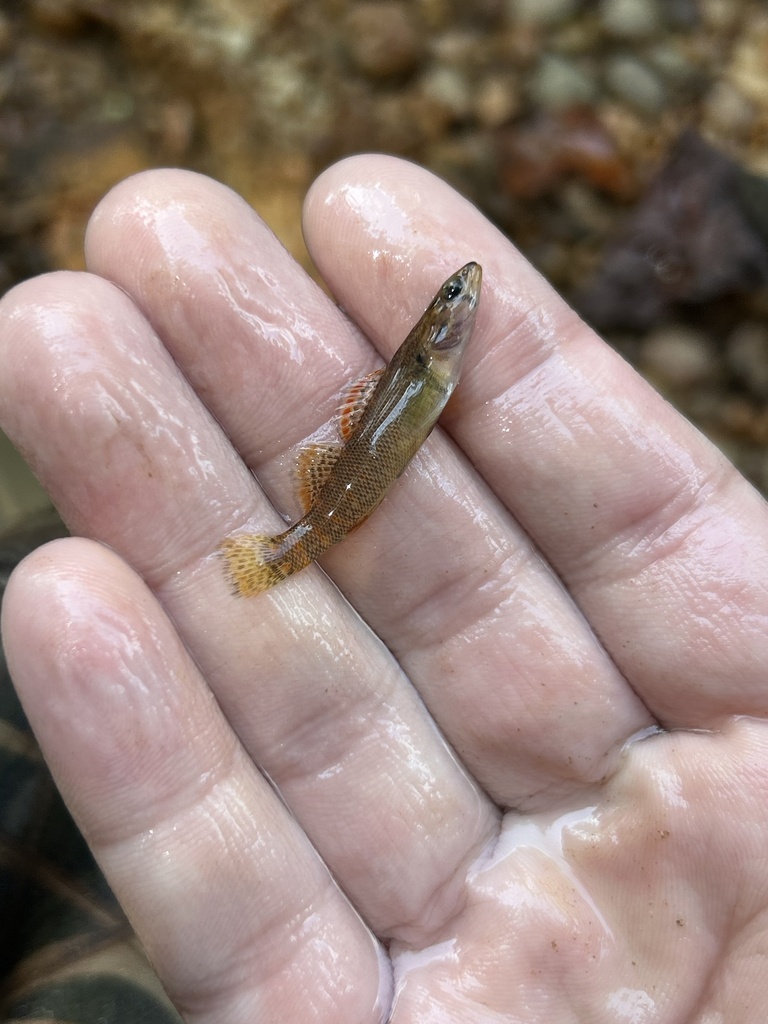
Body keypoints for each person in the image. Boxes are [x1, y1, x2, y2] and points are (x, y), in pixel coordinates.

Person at [1, 156, 766, 1023]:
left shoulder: (432, 364)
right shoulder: (426, 369)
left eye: (456, 304)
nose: (463, 304)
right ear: (440, 332)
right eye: (453, 305)